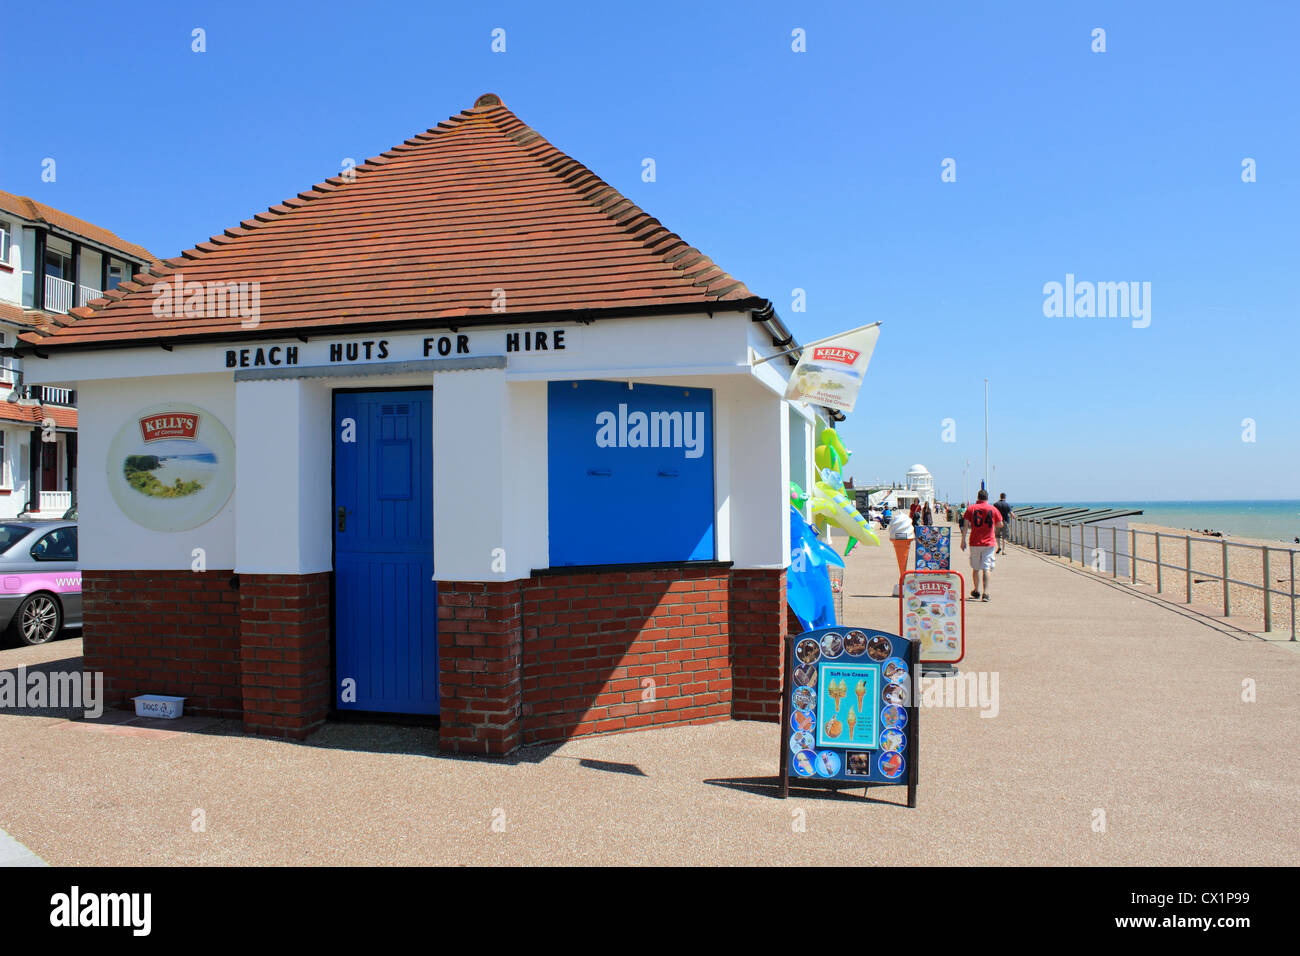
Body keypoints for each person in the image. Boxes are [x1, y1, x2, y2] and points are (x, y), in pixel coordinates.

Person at [960, 489, 1003, 601]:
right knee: (986, 567)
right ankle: (986, 593)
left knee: (975, 568)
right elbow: (1000, 524)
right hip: (989, 542)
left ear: (978, 497)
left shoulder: (971, 508)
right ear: (987, 498)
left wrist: (963, 540)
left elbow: (965, 526)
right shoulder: (993, 509)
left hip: (974, 542)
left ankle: (976, 590)